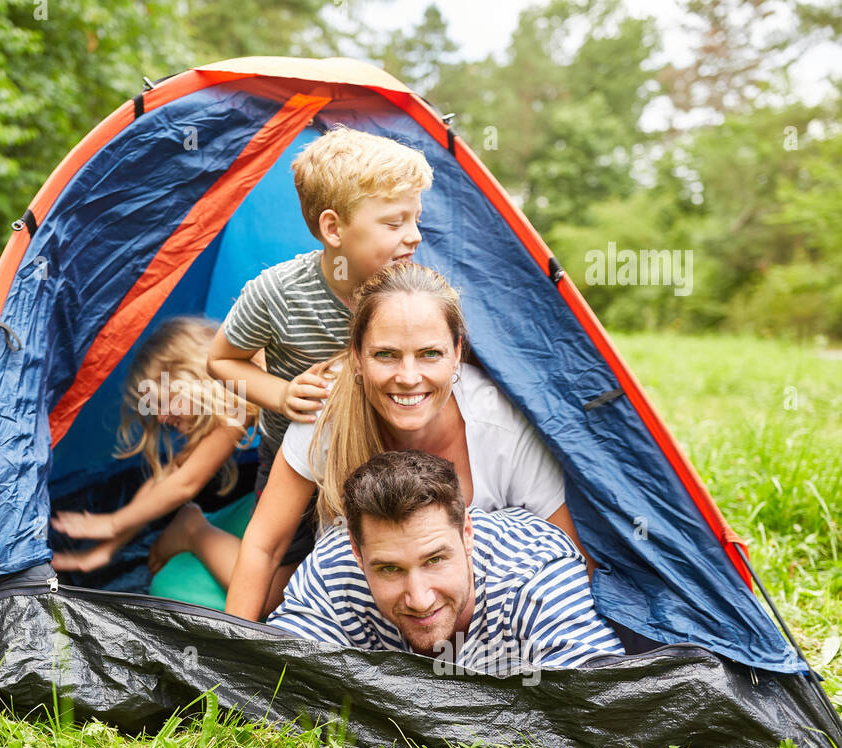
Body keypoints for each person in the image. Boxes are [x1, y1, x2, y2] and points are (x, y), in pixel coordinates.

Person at [223, 260, 590, 621]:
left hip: (482, 625)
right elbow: (264, 546)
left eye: (430, 354)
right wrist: (227, 659)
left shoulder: (501, 424)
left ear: (457, 353)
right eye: (386, 355)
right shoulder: (328, 413)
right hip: (361, 626)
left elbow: (567, 558)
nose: (408, 377)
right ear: (357, 355)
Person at [205, 126, 435, 587]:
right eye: (393, 223)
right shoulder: (277, 292)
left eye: (416, 219)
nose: (413, 237)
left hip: (381, 452)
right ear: (333, 228)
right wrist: (283, 393)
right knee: (276, 585)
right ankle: (192, 532)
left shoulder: (414, 291)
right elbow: (221, 360)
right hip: (294, 457)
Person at [267, 450, 624, 671]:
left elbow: (600, 699)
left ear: (466, 534)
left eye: (435, 560)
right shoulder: (333, 572)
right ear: (357, 554)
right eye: (390, 568)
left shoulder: (534, 573)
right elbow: (273, 682)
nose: (419, 599)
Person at [50, 316, 257, 576]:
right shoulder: (231, 399)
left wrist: (113, 523)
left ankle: (193, 528)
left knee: (265, 588)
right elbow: (168, 475)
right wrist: (102, 551)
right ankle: (192, 527)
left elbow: (185, 484)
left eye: (162, 402)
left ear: (189, 376)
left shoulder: (240, 391)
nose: (159, 418)